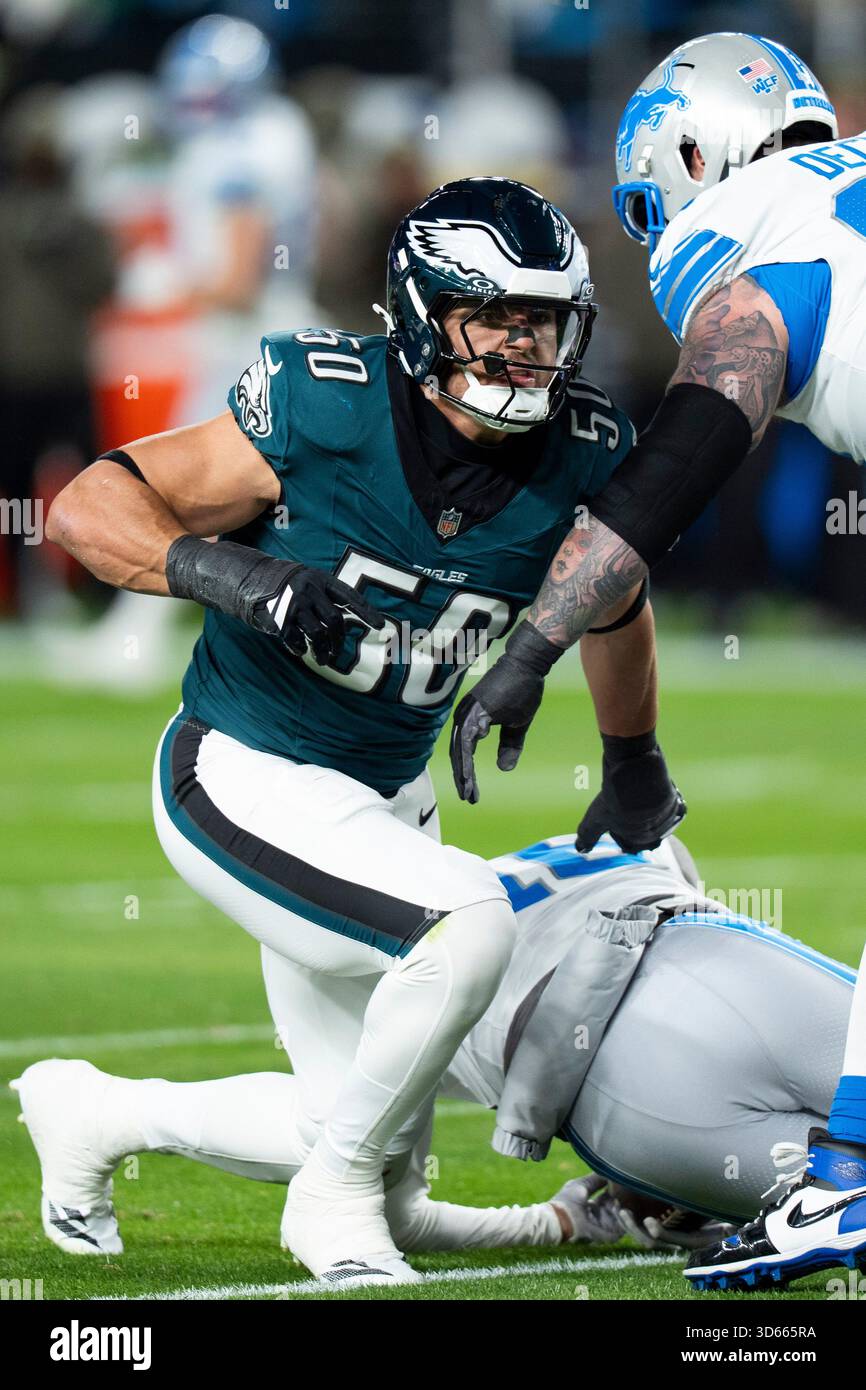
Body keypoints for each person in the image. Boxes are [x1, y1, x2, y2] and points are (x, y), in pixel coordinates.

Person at [40, 176, 678, 1287]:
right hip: (243, 768)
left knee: (366, 1139)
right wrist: (239, 576)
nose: (523, 350)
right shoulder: (324, 399)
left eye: (542, 323)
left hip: (383, 794)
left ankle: (95, 1112)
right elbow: (88, 508)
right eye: (495, 318)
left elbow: (614, 600)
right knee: (466, 926)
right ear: (424, 313)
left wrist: (632, 761)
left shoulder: (582, 444)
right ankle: (328, 1204)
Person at [448, 34, 866, 1292]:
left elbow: (687, 446)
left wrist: (532, 643)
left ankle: (843, 1178)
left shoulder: (751, 228)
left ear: (696, 151)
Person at [13, 830, 854, 1267]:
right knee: (336, 1148)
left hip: (621, 1091)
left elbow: (389, 1216)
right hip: (710, 970)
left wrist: (564, 1222)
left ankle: (106, 1111)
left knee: (337, 1148)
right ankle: (101, 1111)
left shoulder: (406, 914)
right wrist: (565, 1222)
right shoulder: (615, 844)